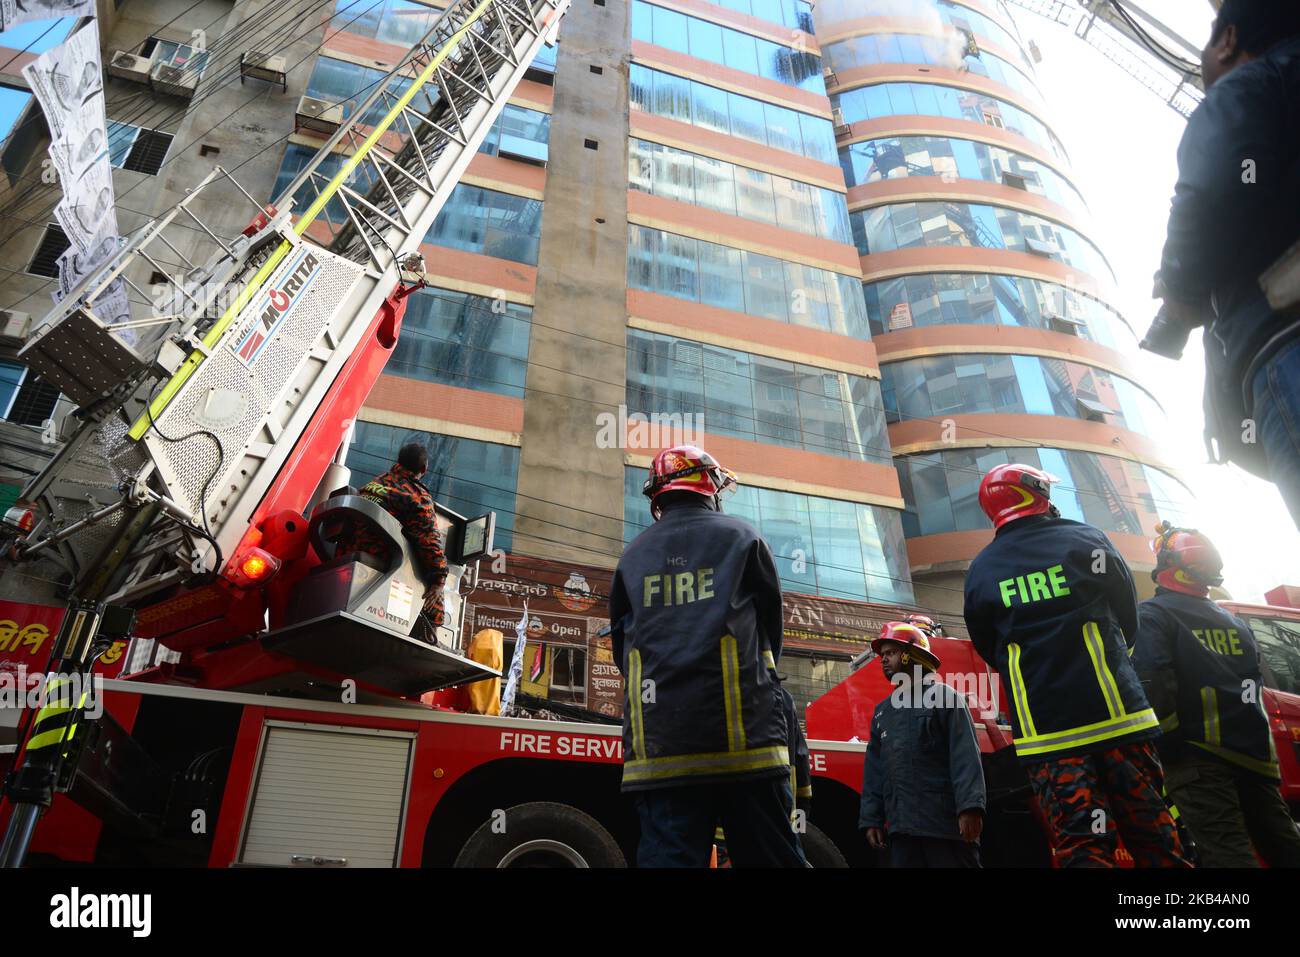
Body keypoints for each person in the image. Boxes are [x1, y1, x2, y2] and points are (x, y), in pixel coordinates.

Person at [963, 463, 1189, 868]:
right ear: (1035, 493)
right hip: (1119, 719)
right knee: (1156, 836)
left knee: (1081, 846)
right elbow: (1127, 617)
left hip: (1048, 737)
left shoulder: (981, 570)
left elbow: (988, 647)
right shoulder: (1087, 541)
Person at [609, 444, 805, 868]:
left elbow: (622, 653)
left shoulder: (632, 556)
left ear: (657, 497)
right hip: (746, 748)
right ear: (708, 486)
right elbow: (771, 636)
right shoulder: (743, 538)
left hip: (661, 755)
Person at [1148, 2, 1300, 525]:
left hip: (1285, 336)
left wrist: (1180, 288)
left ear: (1227, 40)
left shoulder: (1251, 86)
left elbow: (1212, 191)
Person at [1133, 523, 1300, 867]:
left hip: (1197, 758)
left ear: (1166, 566)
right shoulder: (1233, 622)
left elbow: (1151, 680)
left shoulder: (1154, 615)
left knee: (1228, 854)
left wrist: (1164, 742)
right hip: (1255, 757)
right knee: (1284, 847)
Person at [859, 621, 986, 867]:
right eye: (882, 655)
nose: (884, 660)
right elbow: (875, 771)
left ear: (912, 655)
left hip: (944, 827)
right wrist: (872, 819)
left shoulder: (945, 698)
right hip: (902, 831)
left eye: (891, 653)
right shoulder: (883, 712)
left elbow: (965, 757)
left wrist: (970, 808)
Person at [348, 441, 449, 641]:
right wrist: (440, 580)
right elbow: (429, 543)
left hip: (350, 553)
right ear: (424, 468)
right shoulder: (417, 496)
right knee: (432, 579)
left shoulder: (374, 483)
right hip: (382, 562)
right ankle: (430, 637)